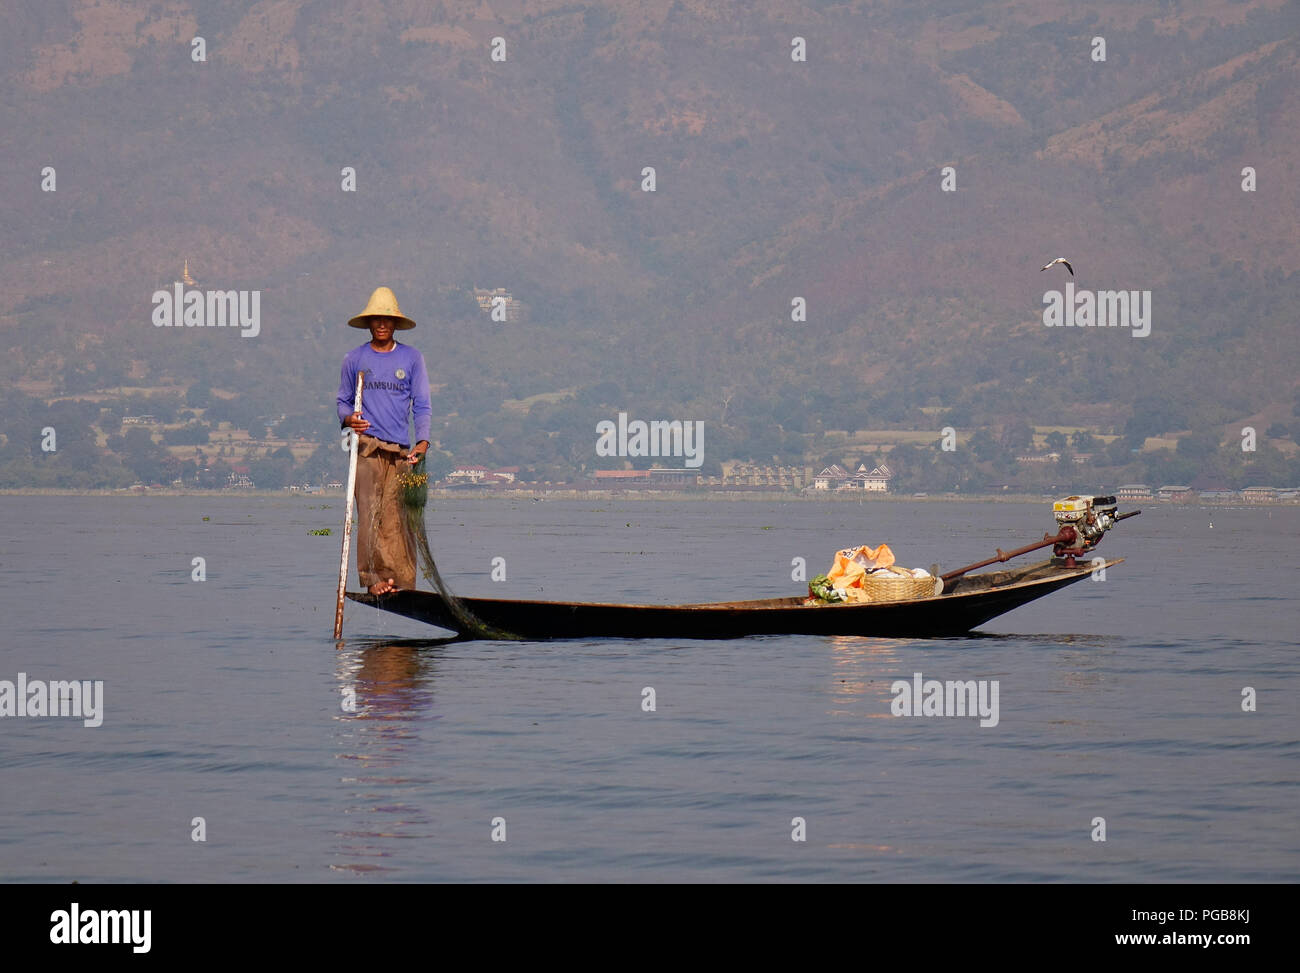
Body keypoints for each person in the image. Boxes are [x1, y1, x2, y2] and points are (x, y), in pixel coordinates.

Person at [336, 286, 432, 595]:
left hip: (401, 452)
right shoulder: (355, 359)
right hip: (367, 449)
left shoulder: (411, 358)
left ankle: (398, 582)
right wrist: (349, 419)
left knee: (397, 518)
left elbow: (422, 405)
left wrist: (423, 442)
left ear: (394, 324)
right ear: (369, 323)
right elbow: (342, 402)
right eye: (376, 320)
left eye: (387, 320)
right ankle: (373, 580)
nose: (381, 325)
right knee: (369, 514)